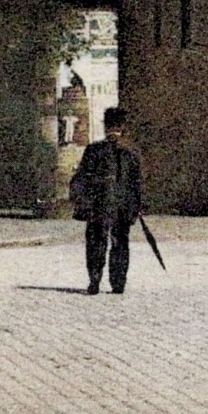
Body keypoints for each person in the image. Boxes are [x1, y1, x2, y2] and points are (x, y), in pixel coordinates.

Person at [71, 106, 144, 295]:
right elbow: (137, 184)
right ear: (123, 127)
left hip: (98, 204)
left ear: (106, 126)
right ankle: (118, 284)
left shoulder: (94, 149)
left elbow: (82, 178)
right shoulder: (132, 152)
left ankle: (94, 281)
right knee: (121, 243)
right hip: (123, 205)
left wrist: (81, 202)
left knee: (96, 242)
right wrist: (136, 207)